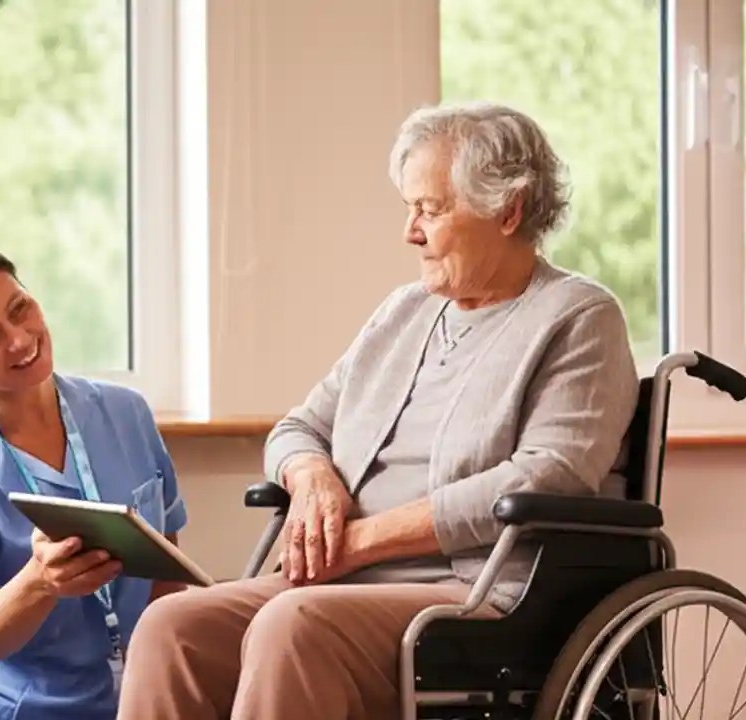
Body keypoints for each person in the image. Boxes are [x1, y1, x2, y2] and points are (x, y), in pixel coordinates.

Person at [116, 101, 640, 719]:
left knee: (293, 623)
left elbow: (549, 474)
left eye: (430, 209)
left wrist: (365, 540)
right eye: (408, 209)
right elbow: (298, 428)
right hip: (343, 582)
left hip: (477, 594)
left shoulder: (578, 318)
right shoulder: (405, 312)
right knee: (172, 625)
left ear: (509, 210)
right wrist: (311, 479)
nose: (410, 232)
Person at [0, 233, 189, 720]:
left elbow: (166, 578)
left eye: (20, 307)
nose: (21, 339)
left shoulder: (125, 413)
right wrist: (39, 583)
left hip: (121, 702)